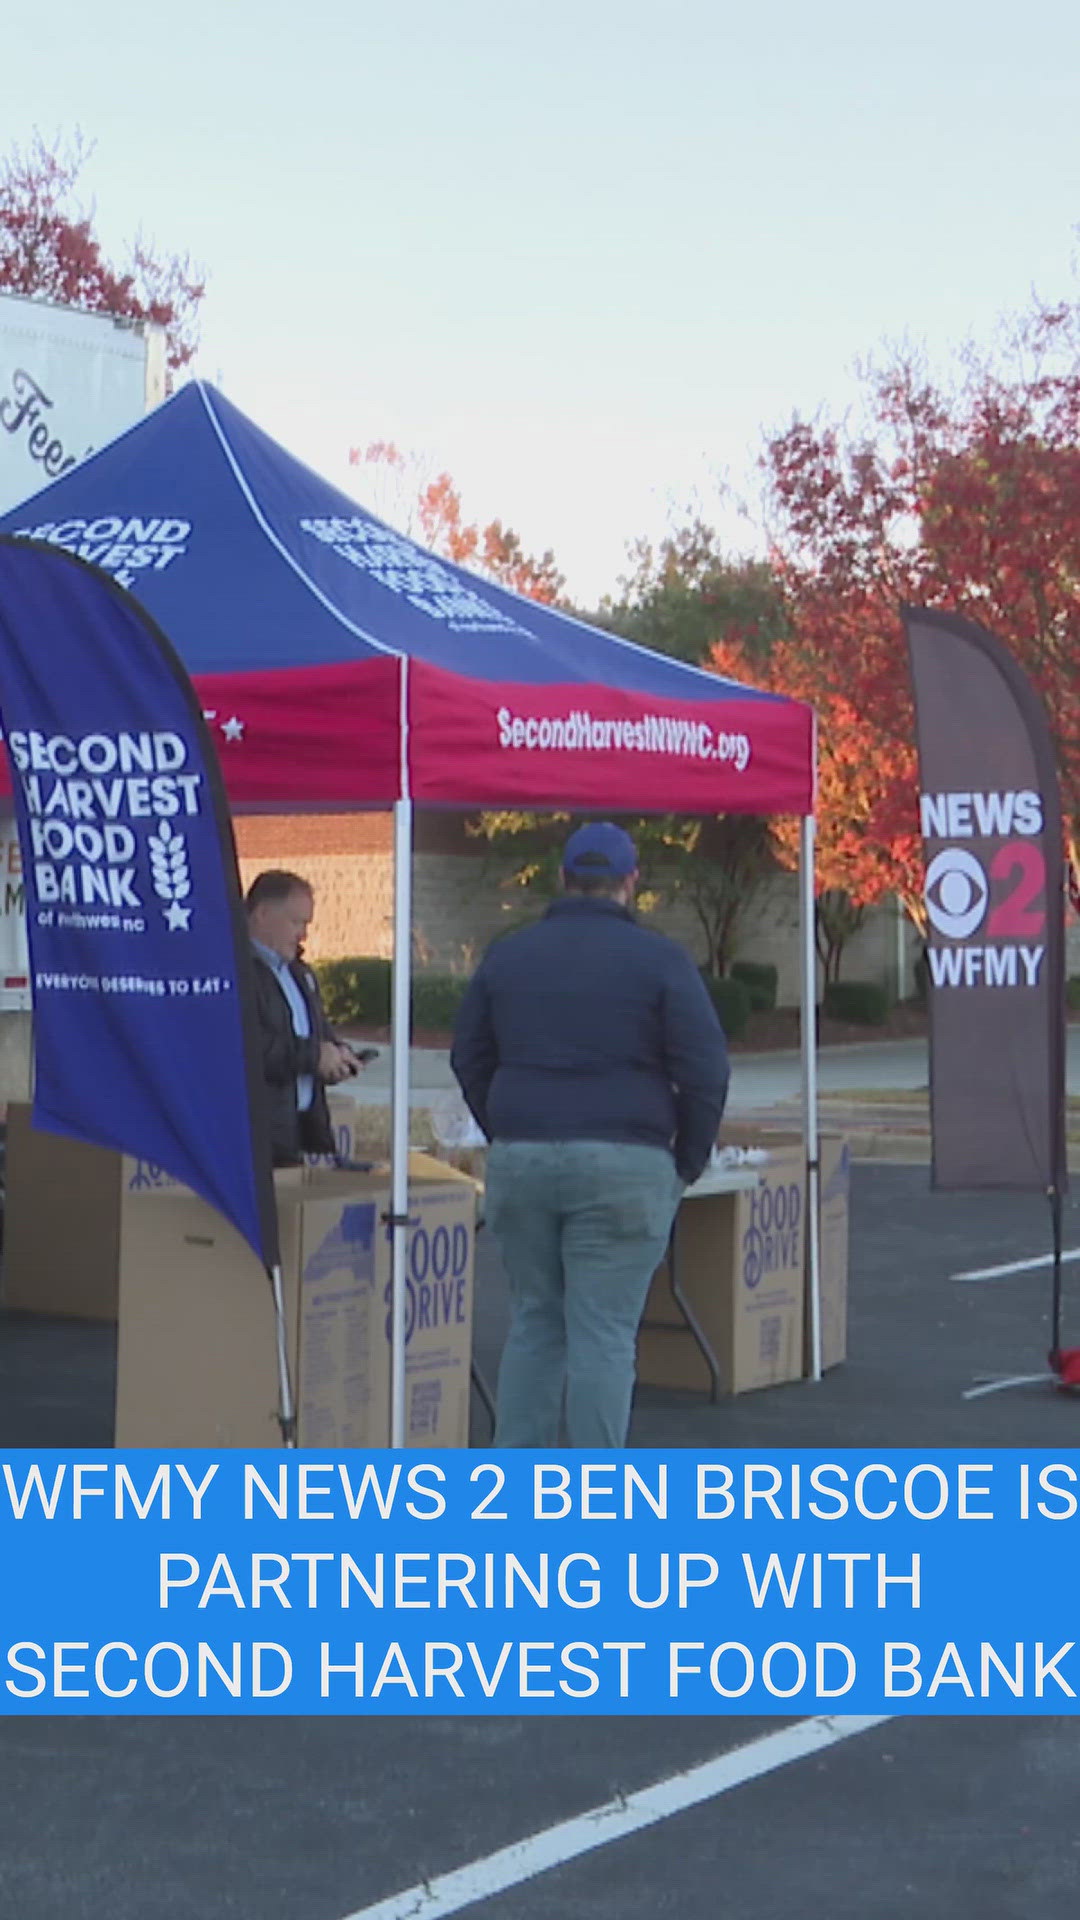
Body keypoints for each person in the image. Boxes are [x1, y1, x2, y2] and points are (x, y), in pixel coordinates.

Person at [451, 821, 730, 1448]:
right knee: (603, 1333)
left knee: (535, 1323)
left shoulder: (509, 955)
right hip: (626, 1158)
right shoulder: (661, 960)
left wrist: (507, 1128)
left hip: (523, 1154)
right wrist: (686, 1159)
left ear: (561, 879)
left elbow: (468, 1055)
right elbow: (705, 1067)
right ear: (631, 883)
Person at [246, 869, 361, 1166]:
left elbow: (318, 1033)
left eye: (306, 924)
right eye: (296, 922)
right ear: (262, 914)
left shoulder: (300, 973)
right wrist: (314, 1056)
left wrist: (338, 1056)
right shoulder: (235, 972)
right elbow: (249, 1047)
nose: (303, 934)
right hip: (256, 1138)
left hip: (300, 1134)